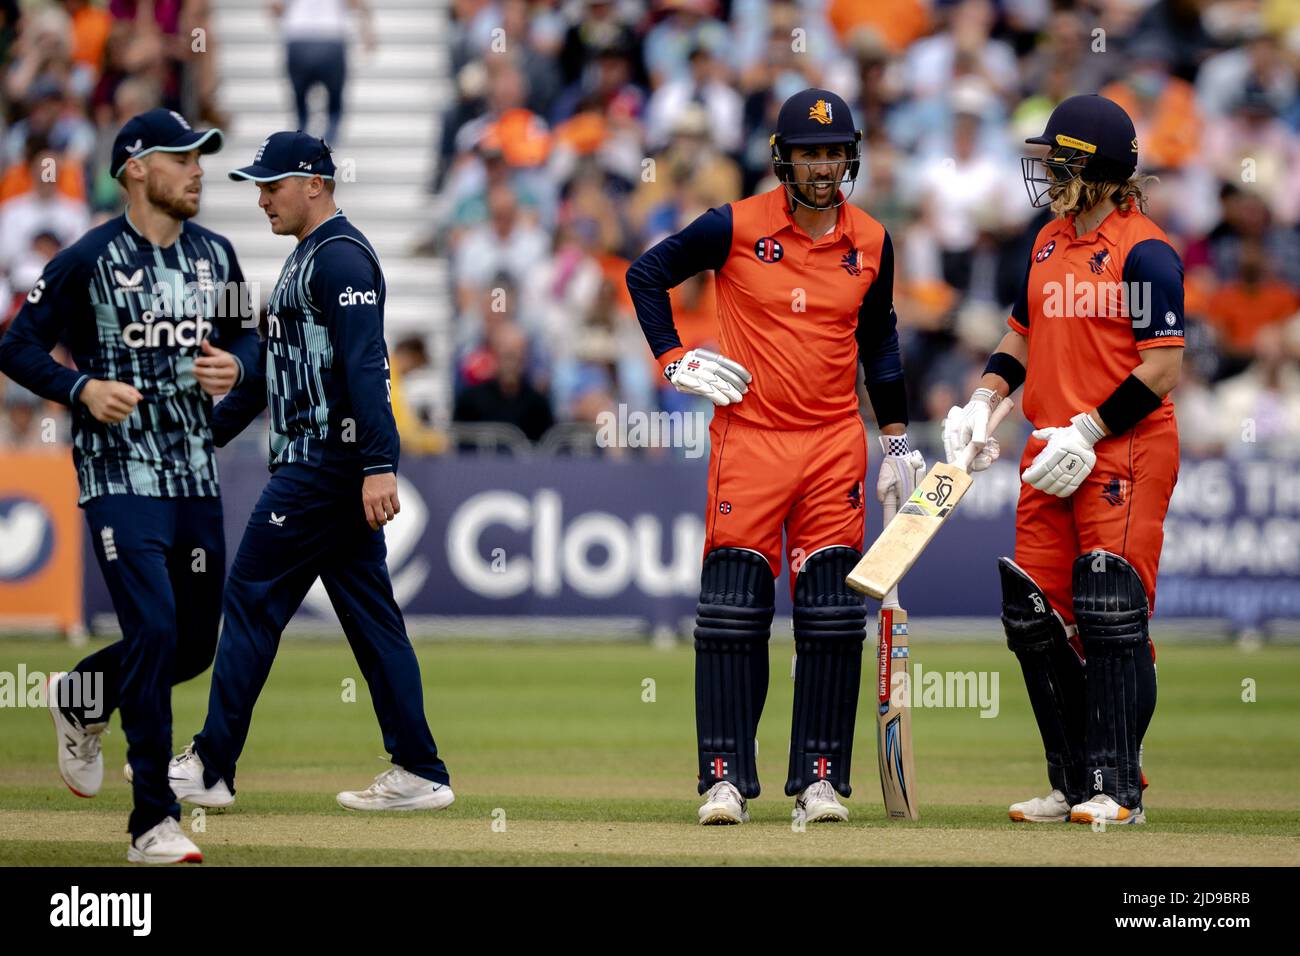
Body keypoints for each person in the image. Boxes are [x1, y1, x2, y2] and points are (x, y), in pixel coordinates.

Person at [626, 89, 941, 825]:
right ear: (783, 159)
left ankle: (822, 780)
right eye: (810, 153)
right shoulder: (732, 225)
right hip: (751, 438)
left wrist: (895, 438)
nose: (824, 167)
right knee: (732, 615)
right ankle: (725, 780)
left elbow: (881, 340)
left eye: (834, 152)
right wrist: (673, 360)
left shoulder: (871, 239)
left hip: (833, 441)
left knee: (832, 618)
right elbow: (646, 276)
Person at [166, 131, 454, 813]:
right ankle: (420, 768)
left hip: (323, 465)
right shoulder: (309, 260)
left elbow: (366, 370)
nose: (261, 198)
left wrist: (379, 465)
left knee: (250, 596)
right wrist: (196, 439)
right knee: (371, 618)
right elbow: (265, 374)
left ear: (315, 184)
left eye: (273, 185)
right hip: (325, 465)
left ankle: (211, 764)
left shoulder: (343, 260)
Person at [0, 108, 256, 863]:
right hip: (117, 476)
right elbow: (15, 345)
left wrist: (236, 367)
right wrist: (80, 388)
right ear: (136, 169)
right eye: (184, 158)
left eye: (203, 157)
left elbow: (249, 335)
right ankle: (153, 819)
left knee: (190, 646)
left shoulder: (217, 255)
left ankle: (80, 696)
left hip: (192, 475)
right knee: (151, 631)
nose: (199, 170)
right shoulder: (87, 258)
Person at [945, 94, 1185, 827]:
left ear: (1099, 170)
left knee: (1111, 613)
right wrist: (983, 400)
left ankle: (1121, 788)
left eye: (1060, 159)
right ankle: (1072, 779)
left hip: (1123, 449)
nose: (1046, 170)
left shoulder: (1146, 251)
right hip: (1051, 452)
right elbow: (1021, 338)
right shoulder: (1048, 241)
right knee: (1037, 617)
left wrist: (1089, 429)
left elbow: (1164, 366)